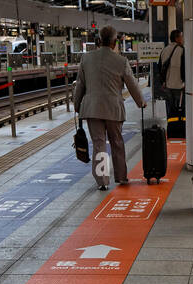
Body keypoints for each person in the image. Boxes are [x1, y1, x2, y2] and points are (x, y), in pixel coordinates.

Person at [72, 25, 146, 190]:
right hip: (113, 108)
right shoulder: (121, 61)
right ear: (114, 42)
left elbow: (80, 85)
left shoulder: (86, 58)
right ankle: (121, 177)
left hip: (92, 109)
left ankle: (102, 181)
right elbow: (132, 84)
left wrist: (77, 105)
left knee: (99, 144)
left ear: (99, 41)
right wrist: (141, 102)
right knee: (117, 142)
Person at [158, 28, 185, 120]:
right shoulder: (182, 50)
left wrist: (163, 82)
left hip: (167, 85)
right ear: (177, 38)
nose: (182, 39)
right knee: (179, 109)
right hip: (179, 85)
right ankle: (179, 127)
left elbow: (160, 68)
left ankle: (170, 126)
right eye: (181, 36)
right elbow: (184, 68)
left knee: (170, 109)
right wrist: (185, 82)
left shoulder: (164, 50)